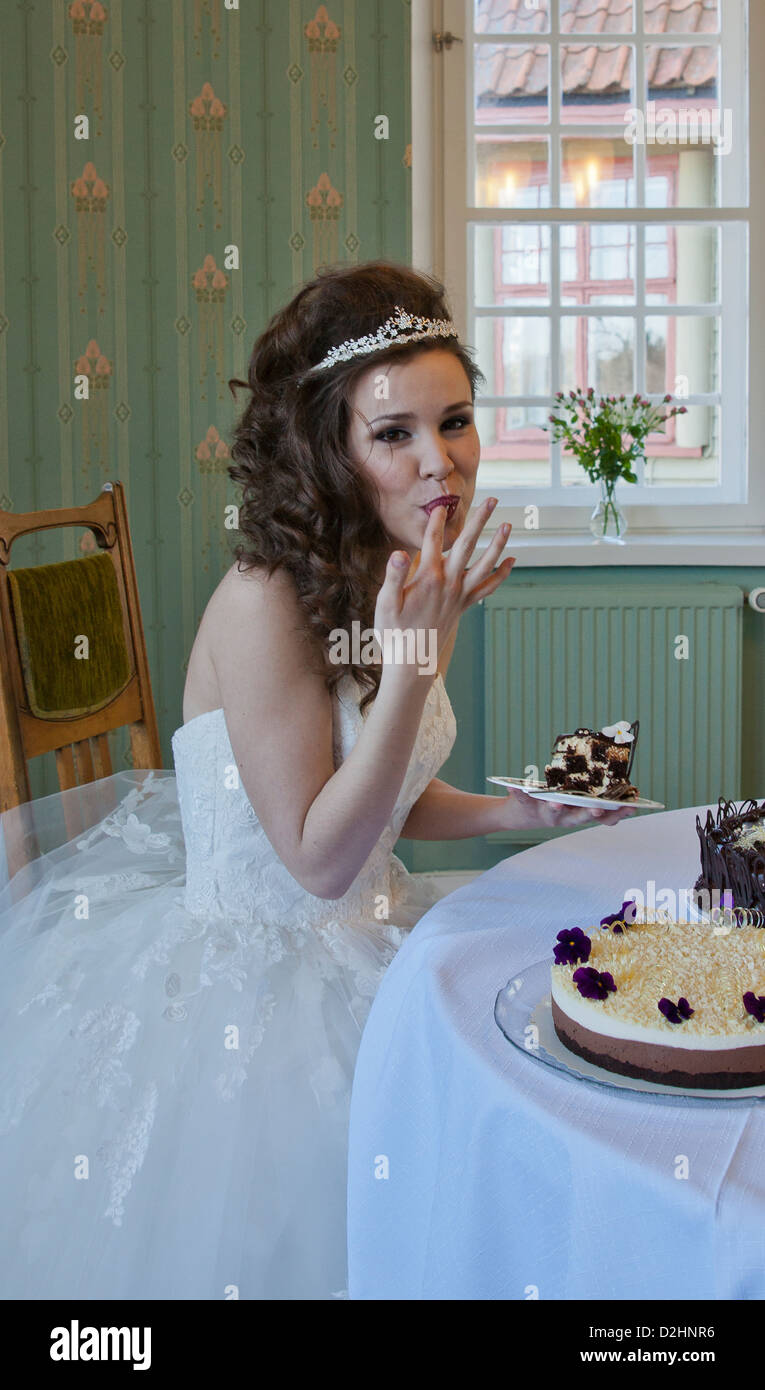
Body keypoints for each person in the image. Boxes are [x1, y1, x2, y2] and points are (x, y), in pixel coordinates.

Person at [0, 261, 633, 1300]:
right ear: (331, 450)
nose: (442, 462)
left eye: (456, 420)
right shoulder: (264, 604)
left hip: (367, 916)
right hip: (259, 977)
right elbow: (321, 863)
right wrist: (420, 665)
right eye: (394, 434)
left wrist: (519, 812)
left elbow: (383, 798)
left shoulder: (396, 569)